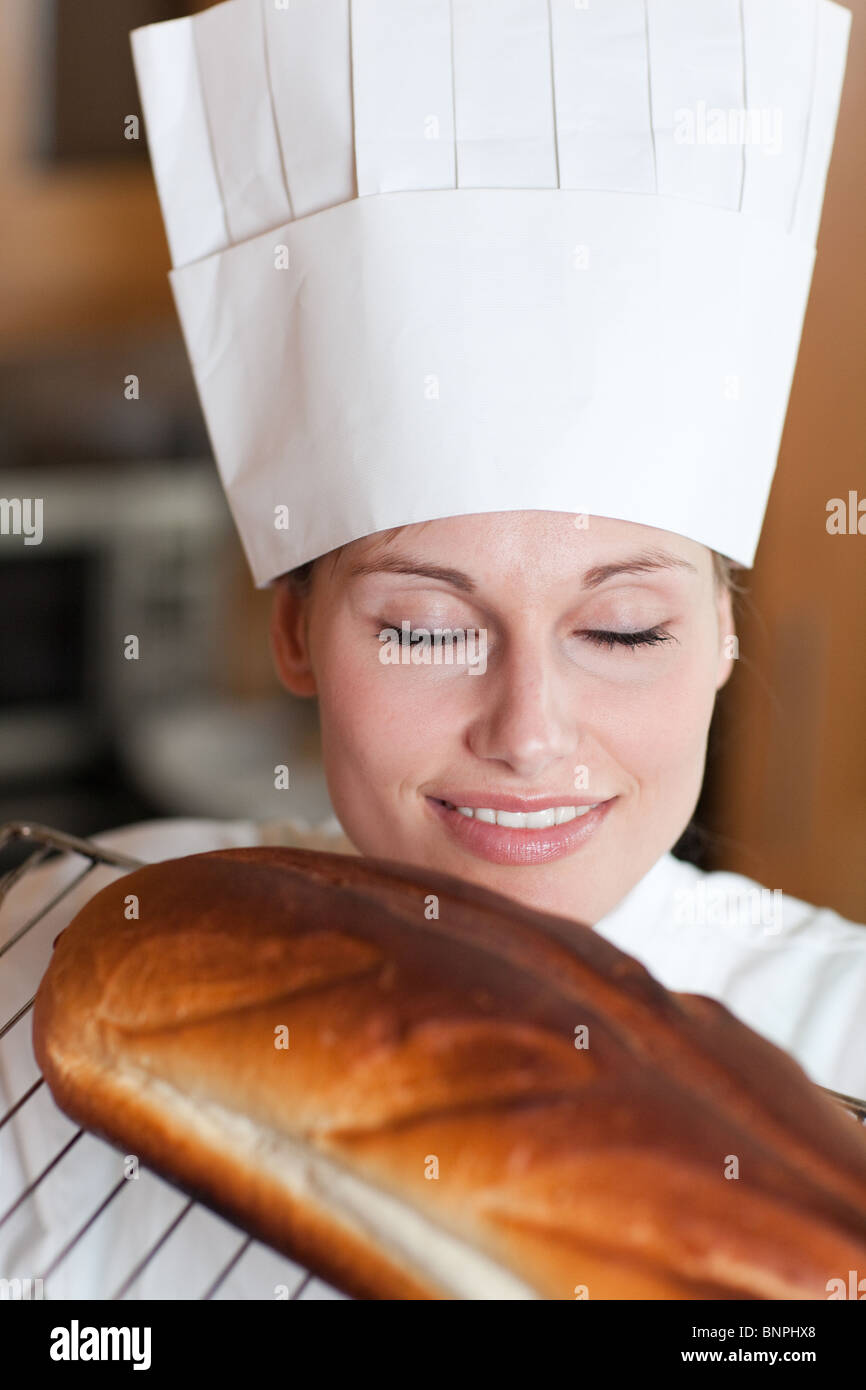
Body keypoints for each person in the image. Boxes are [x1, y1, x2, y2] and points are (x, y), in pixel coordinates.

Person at [1, 0, 862, 1301]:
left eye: (621, 628)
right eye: (424, 624)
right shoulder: (83, 928)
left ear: (725, 633)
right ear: (292, 630)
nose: (527, 729)